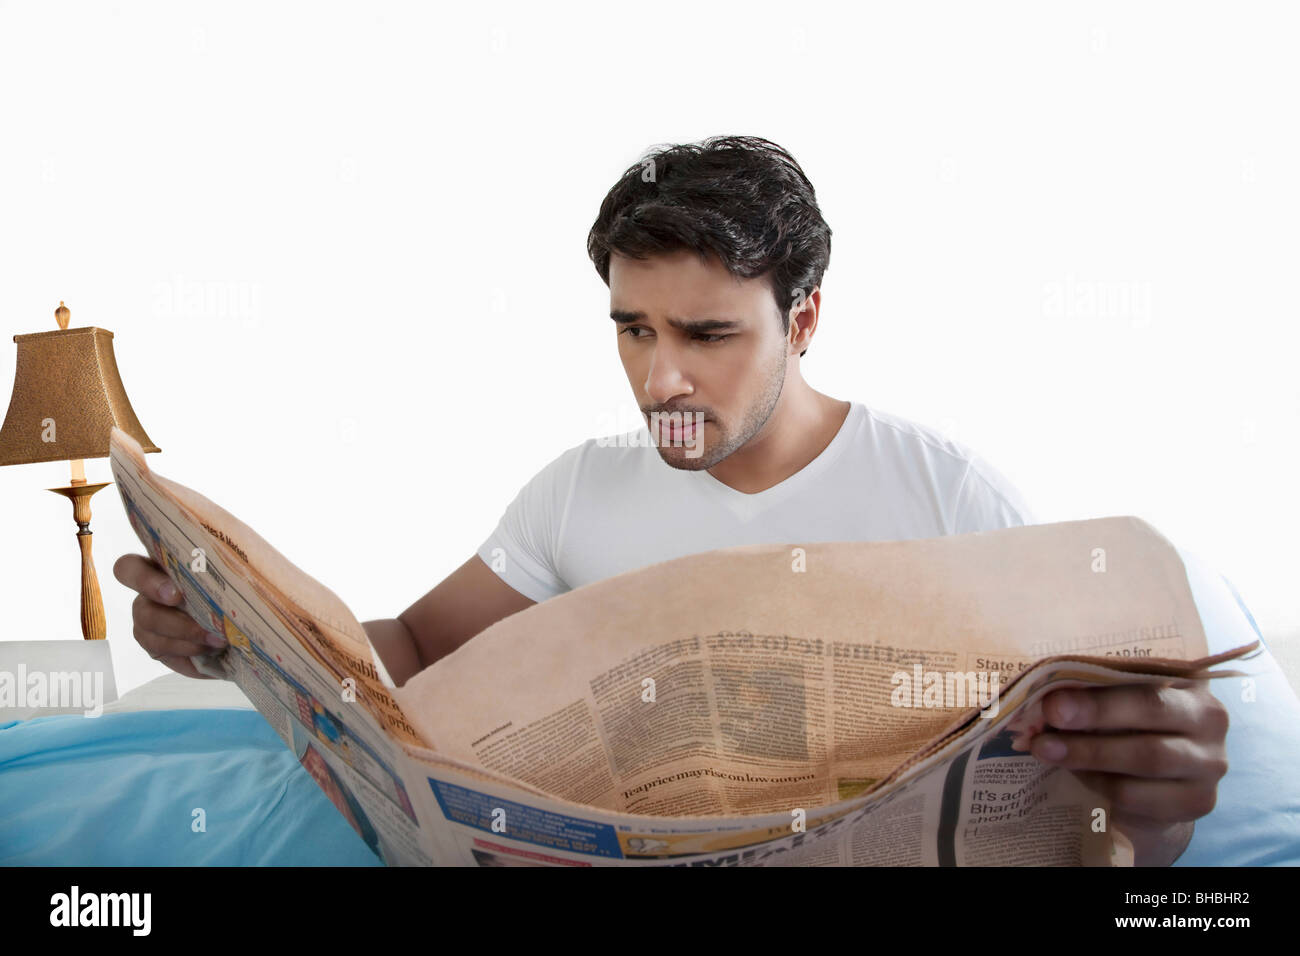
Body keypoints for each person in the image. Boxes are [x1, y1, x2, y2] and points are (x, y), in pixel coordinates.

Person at [113, 134, 1228, 866]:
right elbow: (408, 649)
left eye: (706, 334)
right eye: (632, 329)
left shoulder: (947, 493)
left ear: (801, 324)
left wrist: (1152, 807)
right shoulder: (577, 488)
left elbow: (1090, 809)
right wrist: (233, 635)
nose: (660, 380)